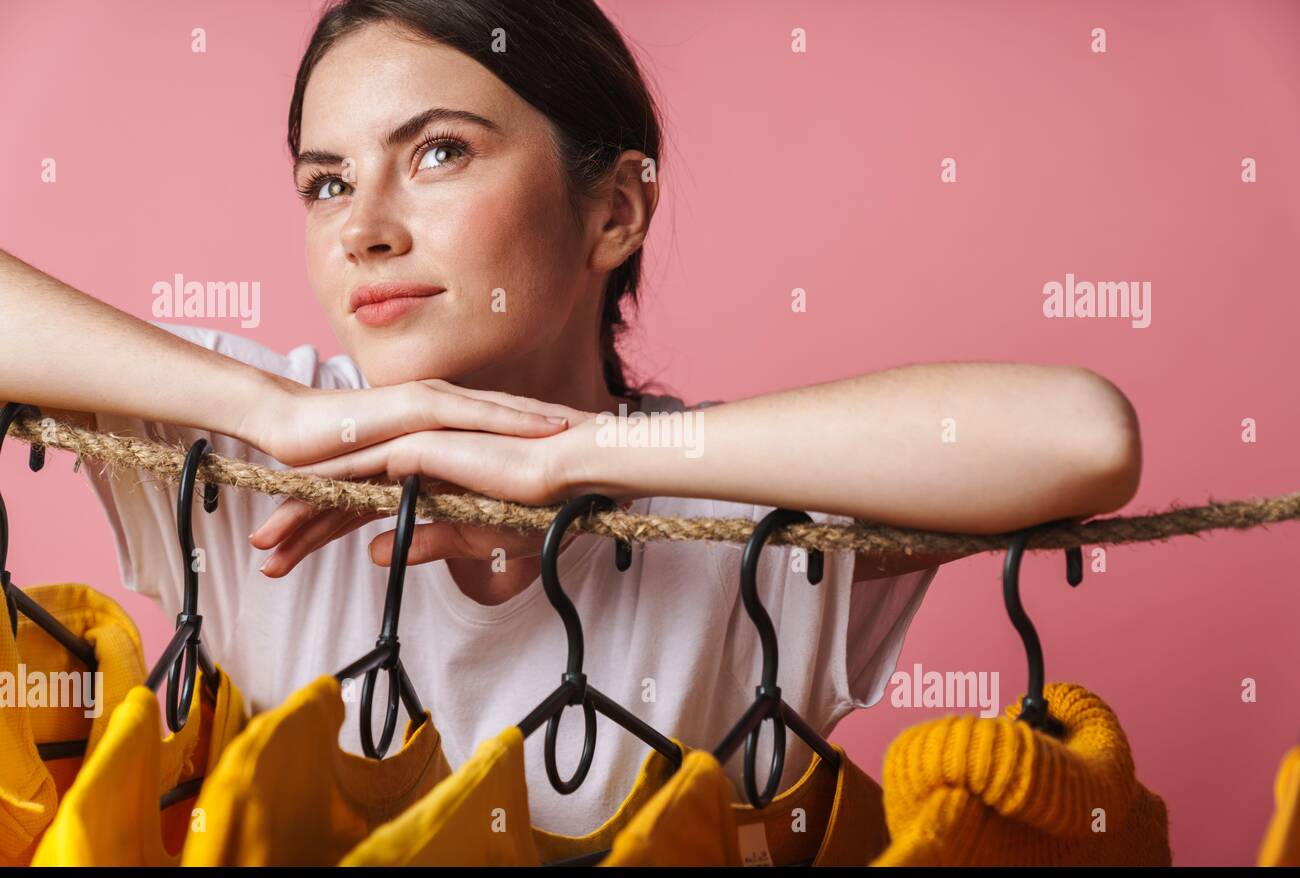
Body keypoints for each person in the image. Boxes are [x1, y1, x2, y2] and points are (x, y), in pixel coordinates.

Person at [0, 0, 1140, 835]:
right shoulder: (240, 448)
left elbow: (1085, 436)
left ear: (615, 209)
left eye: (438, 152)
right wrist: (266, 409)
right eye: (327, 182)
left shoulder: (734, 497)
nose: (364, 230)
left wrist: (575, 462)